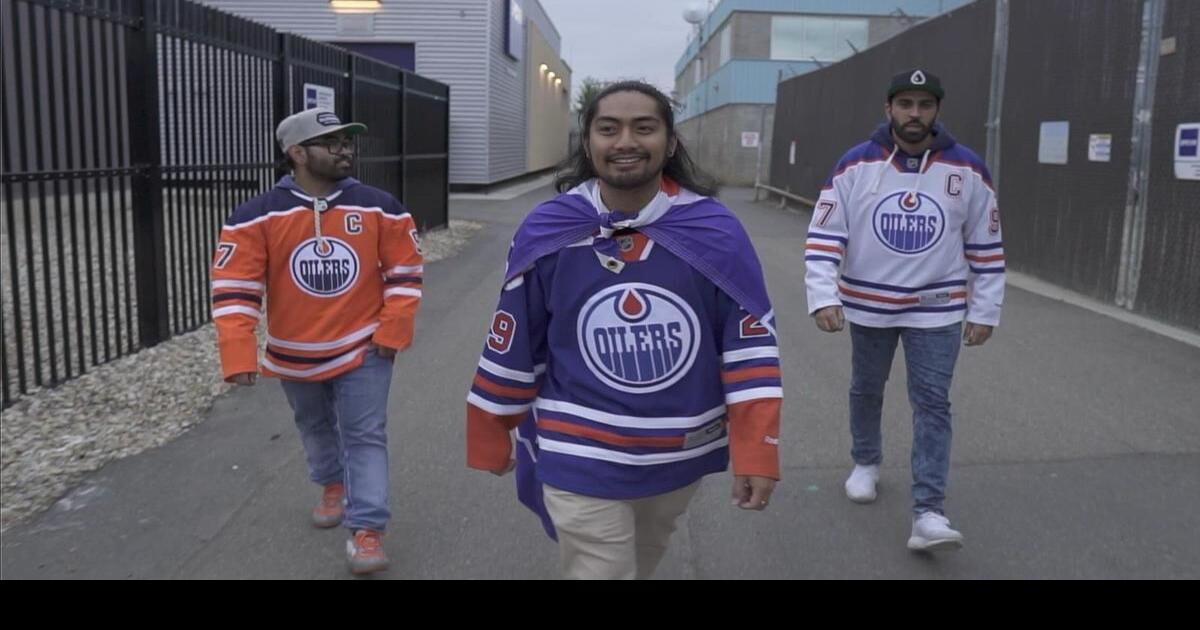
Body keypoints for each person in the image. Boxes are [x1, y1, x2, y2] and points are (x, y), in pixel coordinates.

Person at [465, 81, 783, 580]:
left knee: (641, 560)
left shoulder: (716, 231)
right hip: (579, 449)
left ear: (670, 142)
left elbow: (749, 347)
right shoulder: (548, 227)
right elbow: (513, 338)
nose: (625, 141)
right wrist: (490, 427)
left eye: (644, 127)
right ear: (587, 141)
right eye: (608, 129)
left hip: (678, 453)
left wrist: (757, 448)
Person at [211, 108, 423, 574]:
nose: (345, 149)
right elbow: (235, 287)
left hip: (364, 346)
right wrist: (238, 350)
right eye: (332, 142)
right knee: (314, 426)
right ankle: (332, 485)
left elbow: (405, 274)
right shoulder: (255, 216)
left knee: (365, 433)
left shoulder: (380, 206)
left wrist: (393, 329)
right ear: (297, 153)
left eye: (348, 141)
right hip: (293, 351)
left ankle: (367, 531)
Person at [805, 69, 1004, 551]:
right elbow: (825, 236)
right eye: (905, 103)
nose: (914, 113)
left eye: (924, 104)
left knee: (933, 403)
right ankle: (866, 462)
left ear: (937, 110)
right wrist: (823, 295)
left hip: (937, 310)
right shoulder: (855, 164)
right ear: (888, 108)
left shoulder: (968, 168)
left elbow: (986, 243)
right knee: (866, 388)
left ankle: (928, 512)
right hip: (870, 306)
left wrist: (985, 309)